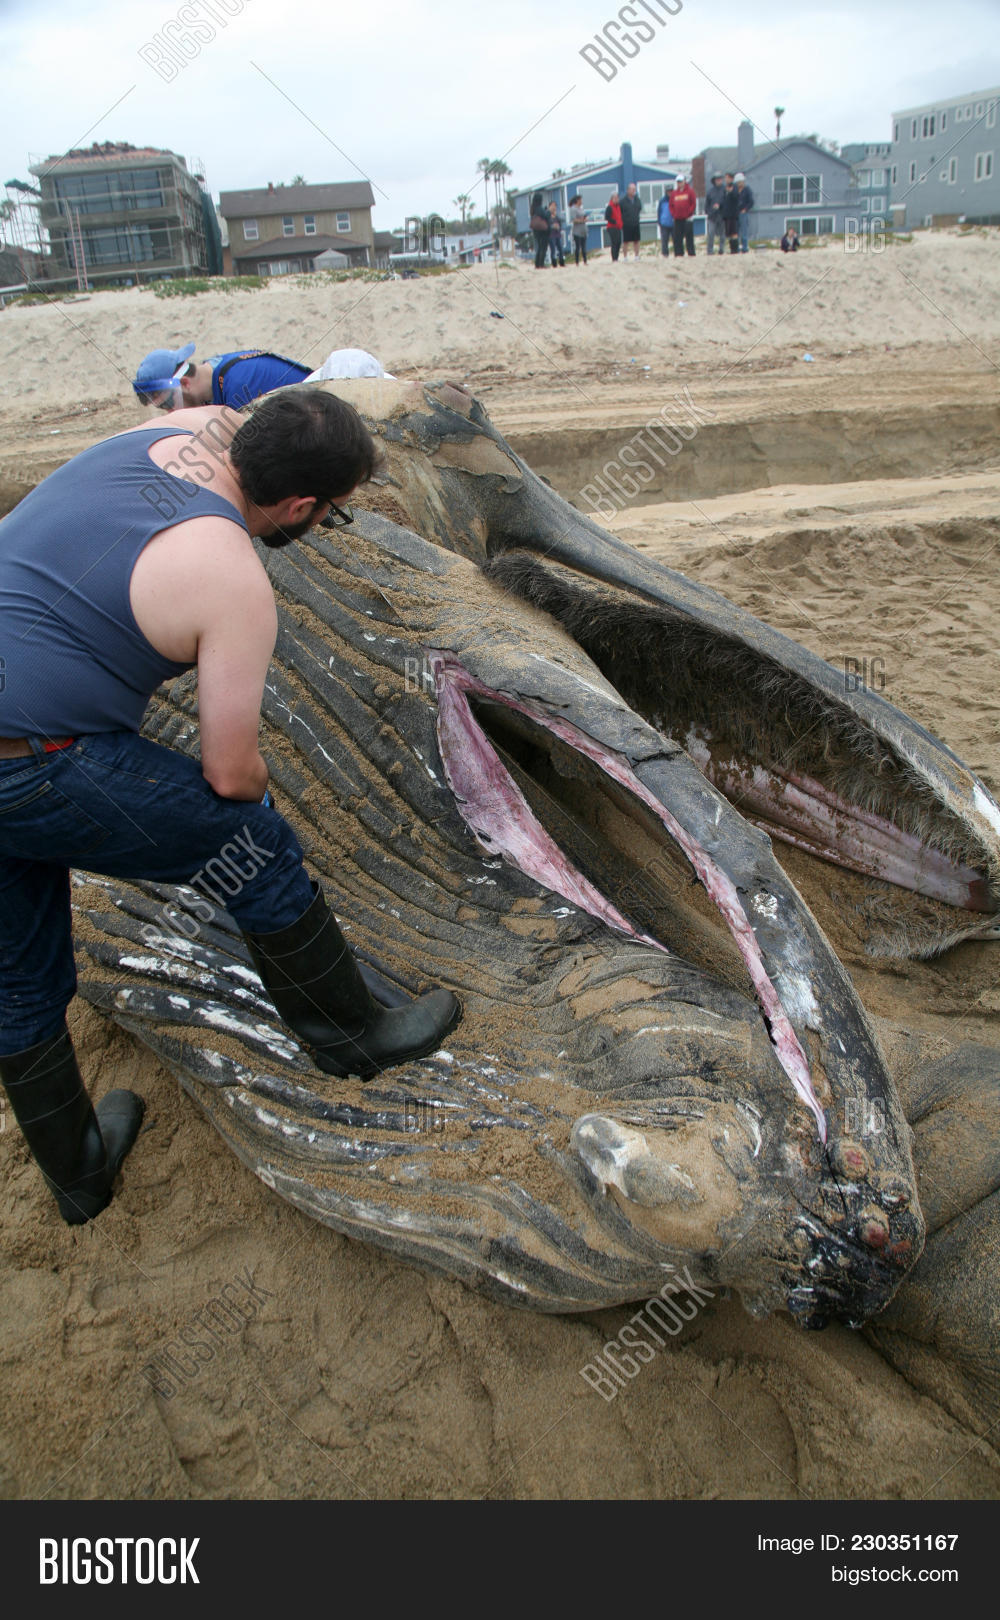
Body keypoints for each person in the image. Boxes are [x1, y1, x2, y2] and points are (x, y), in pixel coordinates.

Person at [0, 387, 462, 1226]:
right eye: (329, 517)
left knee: (18, 973)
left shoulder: (184, 430)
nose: (322, 529)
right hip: (37, 763)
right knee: (254, 846)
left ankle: (79, 1175)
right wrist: (255, 791)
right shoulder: (231, 574)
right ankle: (349, 1035)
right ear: (297, 506)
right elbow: (229, 773)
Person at [132, 344, 389, 411]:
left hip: (329, 398)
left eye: (167, 403)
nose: (169, 411)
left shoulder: (238, 385)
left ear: (184, 383)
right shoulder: (216, 372)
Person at [669, 175, 697, 259]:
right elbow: (671, 205)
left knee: (689, 237)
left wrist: (689, 212)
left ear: (684, 181)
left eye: (680, 181)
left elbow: (693, 203)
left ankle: (691, 253)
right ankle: (678, 254)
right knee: (677, 238)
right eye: (678, 182)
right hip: (677, 219)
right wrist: (674, 214)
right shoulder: (674, 193)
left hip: (687, 218)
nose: (679, 183)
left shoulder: (690, 191)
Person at [705, 172, 726, 256]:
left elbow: (727, 202)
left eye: (720, 179)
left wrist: (720, 205)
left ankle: (721, 249)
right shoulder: (710, 191)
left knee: (722, 234)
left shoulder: (725, 190)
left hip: (722, 215)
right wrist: (709, 212)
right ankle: (710, 250)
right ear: (714, 181)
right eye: (717, 179)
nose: (718, 180)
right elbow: (707, 204)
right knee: (711, 233)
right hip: (712, 216)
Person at [619, 182, 642, 260]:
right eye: (632, 189)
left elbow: (639, 208)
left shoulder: (637, 199)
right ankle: (625, 257)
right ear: (628, 190)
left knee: (637, 240)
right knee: (626, 241)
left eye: (634, 189)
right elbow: (620, 211)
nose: (634, 191)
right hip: (626, 224)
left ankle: (636, 256)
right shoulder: (622, 201)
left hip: (635, 223)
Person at [734, 172, 755, 253]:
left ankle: (745, 248)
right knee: (736, 232)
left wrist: (745, 209)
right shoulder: (735, 190)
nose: (740, 184)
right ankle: (737, 248)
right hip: (736, 213)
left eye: (741, 182)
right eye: (738, 182)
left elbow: (751, 202)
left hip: (743, 213)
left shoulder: (747, 190)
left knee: (744, 231)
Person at [529, 192, 551, 269]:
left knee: (538, 248)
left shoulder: (533, 208)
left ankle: (537, 264)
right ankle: (541, 264)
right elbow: (545, 215)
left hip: (536, 230)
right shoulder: (539, 208)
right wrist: (548, 211)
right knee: (543, 247)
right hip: (543, 230)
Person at [721, 174, 741, 255]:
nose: (726, 179)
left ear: (731, 179)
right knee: (729, 233)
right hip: (727, 215)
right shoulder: (725, 188)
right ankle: (731, 249)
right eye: (725, 178)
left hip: (733, 214)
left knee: (734, 232)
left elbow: (736, 197)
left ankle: (735, 249)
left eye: (727, 178)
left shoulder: (735, 187)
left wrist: (731, 191)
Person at [569, 195, 589, 265]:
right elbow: (573, 220)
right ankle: (577, 262)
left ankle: (585, 261)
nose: (581, 201)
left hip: (583, 230)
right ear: (577, 200)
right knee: (578, 247)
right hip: (577, 231)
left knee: (584, 247)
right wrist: (582, 220)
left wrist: (585, 219)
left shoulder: (581, 208)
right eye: (581, 200)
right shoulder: (573, 209)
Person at [604, 192, 623, 262]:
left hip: (618, 227)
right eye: (615, 198)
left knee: (618, 242)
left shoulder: (618, 206)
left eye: (617, 198)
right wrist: (615, 221)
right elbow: (607, 217)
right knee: (614, 242)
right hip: (611, 227)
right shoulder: (609, 207)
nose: (616, 199)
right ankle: (614, 258)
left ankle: (616, 258)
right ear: (612, 199)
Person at [547, 201, 566, 268]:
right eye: (552, 206)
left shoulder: (557, 216)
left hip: (558, 234)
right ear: (549, 206)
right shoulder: (547, 215)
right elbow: (546, 225)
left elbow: (562, 221)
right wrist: (552, 226)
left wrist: (558, 227)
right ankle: (554, 264)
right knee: (553, 250)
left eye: (555, 206)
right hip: (551, 235)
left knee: (561, 248)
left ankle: (562, 262)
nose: (554, 207)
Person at [657, 189, 673, 257]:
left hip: (673, 223)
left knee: (676, 239)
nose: (670, 193)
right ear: (666, 192)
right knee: (664, 240)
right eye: (668, 191)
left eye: (671, 191)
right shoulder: (662, 201)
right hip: (664, 223)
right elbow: (659, 211)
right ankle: (665, 254)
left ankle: (677, 253)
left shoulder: (674, 199)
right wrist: (659, 221)